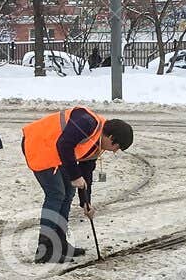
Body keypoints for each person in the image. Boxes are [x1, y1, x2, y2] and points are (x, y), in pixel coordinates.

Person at [21, 106, 133, 263]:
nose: (115, 151)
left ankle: (59, 243)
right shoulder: (87, 123)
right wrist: (75, 176)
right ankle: (44, 249)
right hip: (39, 145)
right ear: (111, 137)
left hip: (56, 152)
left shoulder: (97, 143)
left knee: (68, 193)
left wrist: (85, 202)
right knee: (56, 194)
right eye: (117, 147)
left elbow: (86, 173)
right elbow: (64, 144)